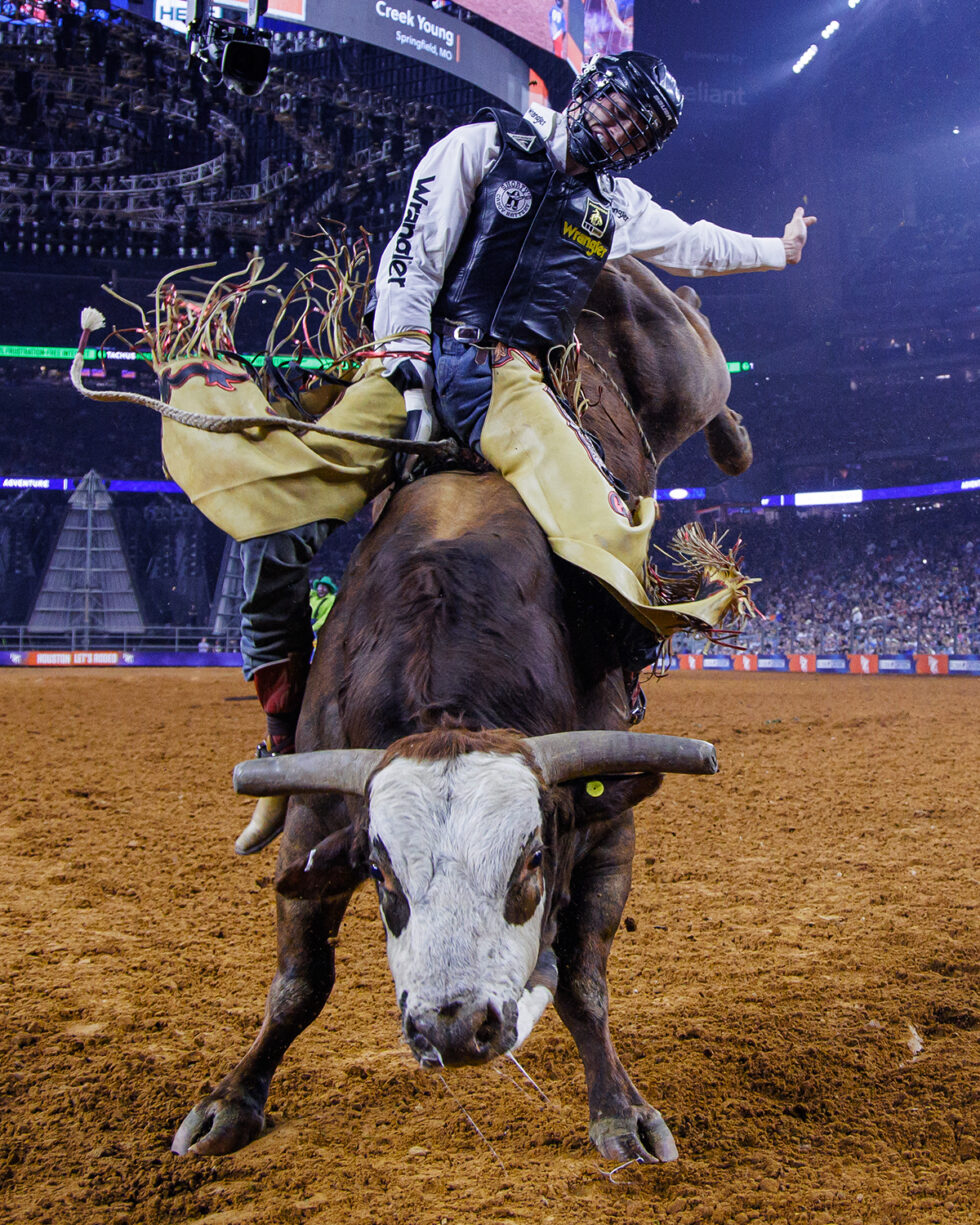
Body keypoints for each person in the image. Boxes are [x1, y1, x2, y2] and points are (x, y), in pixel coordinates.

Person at [178, 51, 814, 854]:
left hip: (510, 378)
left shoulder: (615, 206)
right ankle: (283, 739)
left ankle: (608, 700)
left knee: (611, 530)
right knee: (273, 526)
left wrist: (777, 249)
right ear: (593, 93)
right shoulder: (481, 146)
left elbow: (693, 246)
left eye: (637, 130)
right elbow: (413, 254)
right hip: (417, 358)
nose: (619, 128)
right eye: (618, 108)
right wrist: (408, 377)